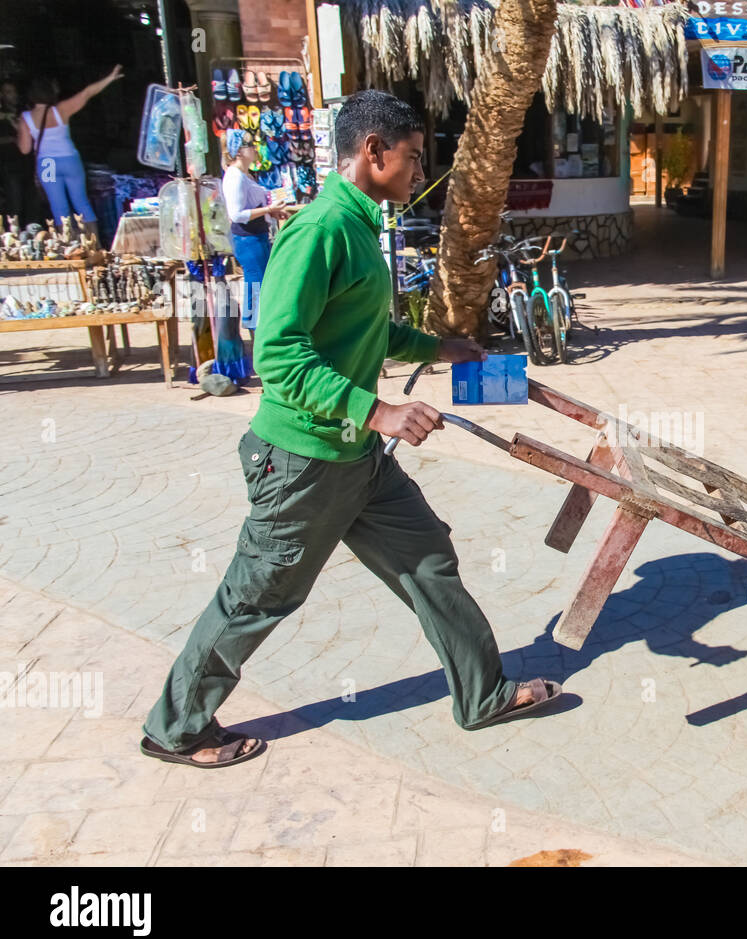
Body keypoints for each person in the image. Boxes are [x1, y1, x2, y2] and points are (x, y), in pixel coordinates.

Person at [140, 89, 562, 769]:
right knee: (257, 597)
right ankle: (176, 726)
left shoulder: (362, 226)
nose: (420, 171)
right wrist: (379, 411)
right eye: (414, 156)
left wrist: (435, 348)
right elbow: (277, 353)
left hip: (358, 457)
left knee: (428, 560)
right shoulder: (322, 229)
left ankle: (482, 694)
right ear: (374, 152)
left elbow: (365, 327)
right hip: (304, 462)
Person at [15, 66, 123, 228]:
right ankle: (95, 247)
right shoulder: (61, 110)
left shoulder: (26, 118)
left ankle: (69, 248)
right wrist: (109, 78)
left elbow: (25, 149)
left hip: (47, 163)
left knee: (59, 207)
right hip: (70, 159)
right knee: (82, 203)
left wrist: (17, 130)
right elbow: (86, 93)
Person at [221, 128, 290, 348]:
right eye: (250, 146)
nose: (254, 149)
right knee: (256, 285)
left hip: (256, 237)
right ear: (239, 152)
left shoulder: (245, 174)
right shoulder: (234, 177)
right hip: (248, 240)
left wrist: (269, 211)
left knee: (261, 285)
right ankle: (257, 336)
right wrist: (268, 208)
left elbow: (252, 206)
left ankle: (260, 334)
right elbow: (237, 214)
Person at [0, 79, 29, 220]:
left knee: (33, 204)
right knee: (15, 205)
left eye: (13, 91)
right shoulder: (1, 115)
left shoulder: (25, 110)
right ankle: (14, 237)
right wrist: (11, 140)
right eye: (7, 92)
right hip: (10, 166)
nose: (12, 95)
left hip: (31, 164)